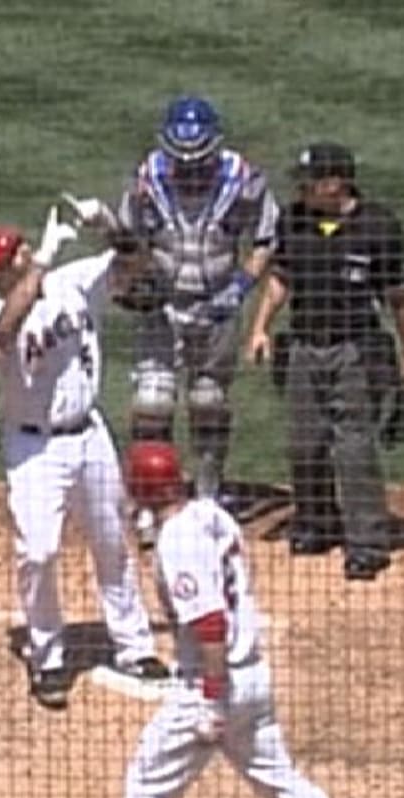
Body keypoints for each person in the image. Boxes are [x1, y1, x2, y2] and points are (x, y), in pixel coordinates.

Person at [108, 441, 377, 798]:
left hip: (211, 686)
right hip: (253, 680)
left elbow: (211, 624)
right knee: (283, 780)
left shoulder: (177, 541)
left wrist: (212, 701)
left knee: (148, 784)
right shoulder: (212, 515)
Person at [0, 205, 170, 711]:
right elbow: (8, 330)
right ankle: (48, 654)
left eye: (22, 244)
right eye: (15, 251)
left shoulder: (72, 283)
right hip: (33, 449)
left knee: (111, 542)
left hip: (90, 436)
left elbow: (136, 263)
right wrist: (45, 258)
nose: (25, 248)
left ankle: (135, 646)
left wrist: (110, 224)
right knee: (37, 552)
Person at [69, 95, 280, 522]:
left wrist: (239, 288)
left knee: (208, 399)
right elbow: (129, 244)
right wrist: (133, 281)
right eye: (181, 160)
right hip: (161, 305)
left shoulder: (245, 181)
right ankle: (150, 497)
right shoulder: (146, 181)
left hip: (218, 304)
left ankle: (207, 493)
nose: (189, 169)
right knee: (152, 401)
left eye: (197, 160)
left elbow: (266, 240)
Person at [245, 141, 404, 579]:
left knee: (353, 446)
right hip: (303, 346)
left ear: (334, 183)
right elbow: (280, 279)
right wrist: (260, 329)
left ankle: (366, 543)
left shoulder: (378, 227)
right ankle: (317, 522)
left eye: (309, 182)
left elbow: (399, 297)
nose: (301, 190)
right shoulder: (294, 221)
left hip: (356, 349)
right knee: (304, 443)